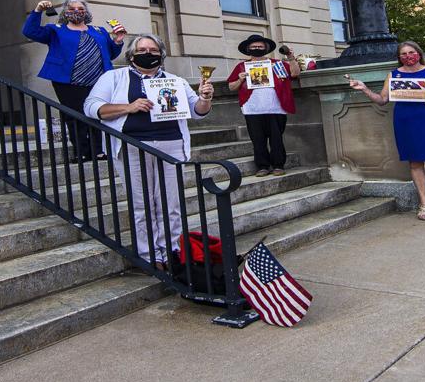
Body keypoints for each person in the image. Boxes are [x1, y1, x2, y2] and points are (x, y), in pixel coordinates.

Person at [83, 35, 215, 269]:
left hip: (171, 144)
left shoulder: (175, 80)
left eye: (153, 50)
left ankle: (172, 251)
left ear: (161, 54)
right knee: (141, 202)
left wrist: (205, 98)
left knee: (170, 202)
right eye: (142, 49)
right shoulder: (113, 77)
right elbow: (92, 107)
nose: (148, 53)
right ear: (132, 55)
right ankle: (149, 254)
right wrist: (129, 107)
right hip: (133, 145)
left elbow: (197, 111)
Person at [347, 41, 425, 220]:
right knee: (415, 163)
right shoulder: (394, 75)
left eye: (411, 52)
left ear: (418, 54)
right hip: (406, 121)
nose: (408, 56)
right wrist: (364, 89)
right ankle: (423, 203)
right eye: (403, 54)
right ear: (399, 57)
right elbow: (382, 100)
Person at [22, 0, 126, 162]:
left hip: (98, 80)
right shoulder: (56, 30)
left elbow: (110, 54)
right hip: (68, 81)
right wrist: (37, 11)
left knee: (96, 113)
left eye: (80, 8)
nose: (76, 11)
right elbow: (30, 32)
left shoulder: (99, 31)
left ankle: (98, 150)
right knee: (74, 115)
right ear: (65, 12)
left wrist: (118, 41)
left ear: (86, 12)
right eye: (72, 8)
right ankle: (81, 151)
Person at [226, 34, 315, 178]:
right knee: (258, 140)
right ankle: (262, 166)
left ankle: (278, 165)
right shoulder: (242, 66)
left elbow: (295, 73)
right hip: (252, 109)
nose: (257, 49)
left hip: (276, 108)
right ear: (248, 49)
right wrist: (240, 79)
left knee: (276, 138)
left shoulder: (276, 64)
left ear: (266, 48)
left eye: (260, 46)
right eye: (254, 47)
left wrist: (291, 58)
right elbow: (231, 86)